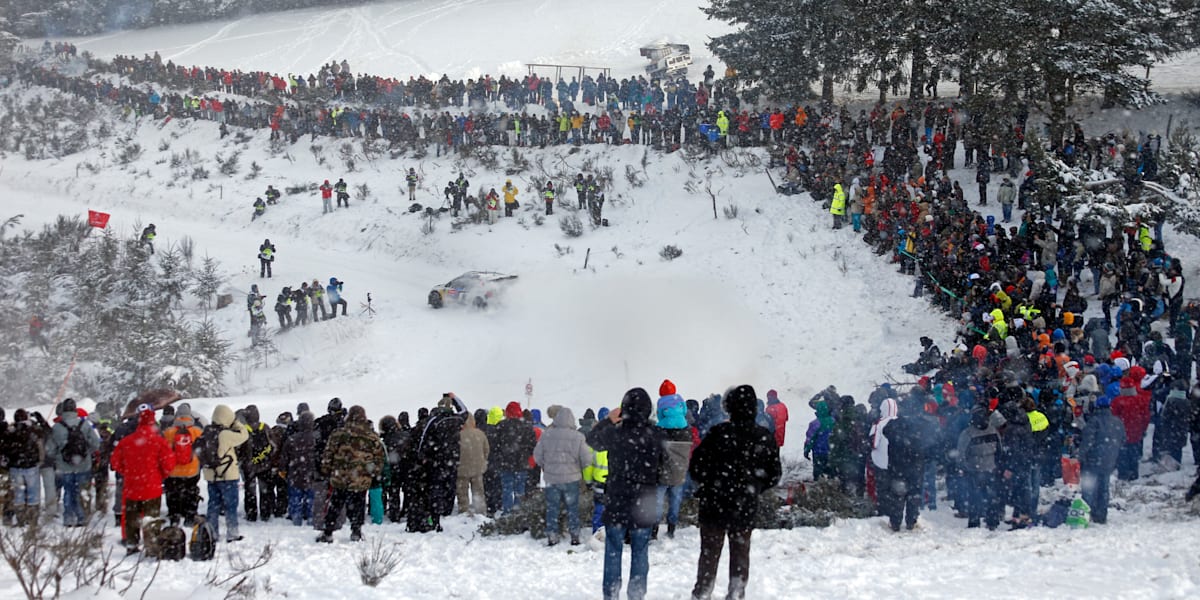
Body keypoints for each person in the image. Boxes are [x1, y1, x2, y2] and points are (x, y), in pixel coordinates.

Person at [689, 384, 782, 600]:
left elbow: (696, 467)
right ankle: (736, 592)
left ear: (729, 407)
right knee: (740, 554)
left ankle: (702, 592)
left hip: (714, 504)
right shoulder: (763, 436)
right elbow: (774, 474)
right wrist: (754, 488)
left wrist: (710, 484)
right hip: (745, 505)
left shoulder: (718, 433)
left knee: (709, 554)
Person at [586, 388, 664, 600]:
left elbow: (592, 440)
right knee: (640, 551)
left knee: (613, 551)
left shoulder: (615, 433)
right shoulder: (655, 435)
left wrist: (608, 420)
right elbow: (663, 465)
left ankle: (610, 595)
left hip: (617, 499)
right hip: (644, 501)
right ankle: (636, 595)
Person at [110, 405, 176, 552]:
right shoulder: (159, 441)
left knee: (131, 519)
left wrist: (128, 472)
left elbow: (115, 462)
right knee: (151, 519)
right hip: (152, 487)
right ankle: (151, 546)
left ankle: (132, 545)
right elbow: (168, 464)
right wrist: (160, 476)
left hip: (132, 486)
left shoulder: (126, 441)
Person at [316, 406, 385, 543]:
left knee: (335, 504)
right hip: (361, 478)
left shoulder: (339, 433)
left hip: (340, 476)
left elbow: (328, 454)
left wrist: (326, 469)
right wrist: (373, 473)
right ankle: (356, 531)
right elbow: (378, 459)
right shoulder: (371, 436)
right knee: (358, 504)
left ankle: (328, 531)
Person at [404, 394, 467, 532]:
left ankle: (436, 517)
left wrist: (421, 457)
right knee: (450, 486)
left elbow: (423, 440)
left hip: (436, 461)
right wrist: (454, 397)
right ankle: (447, 509)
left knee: (435, 490)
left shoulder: (433, 421)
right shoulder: (457, 419)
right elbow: (464, 410)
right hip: (453, 459)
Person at [533, 406, 591, 546]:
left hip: (552, 479)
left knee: (552, 508)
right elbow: (587, 459)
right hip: (572, 478)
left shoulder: (547, 435)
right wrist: (578, 468)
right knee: (573, 507)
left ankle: (552, 534)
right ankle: (574, 534)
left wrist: (546, 466)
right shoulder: (578, 437)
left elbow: (537, 456)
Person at [881, 397, 937, 531]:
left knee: (897, 495)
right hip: (916, 465)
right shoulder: (921, 424)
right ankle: (911, 521)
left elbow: (885, 432)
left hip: (897, 465)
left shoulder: (894, 425)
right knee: (914, 494)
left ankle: (895, 522)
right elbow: (930, 441)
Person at [47, 399, 100, 527]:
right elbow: (96, 444)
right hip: (83, 465)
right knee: (81, 492)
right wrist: (86, 454)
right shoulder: (85, 425)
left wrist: (59, 457)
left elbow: (50, 449)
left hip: (64, 467)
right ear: (75, 409)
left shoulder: (57, 427)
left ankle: (69, 518)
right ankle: (82, 517)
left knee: (68, 492)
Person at [203, 405, 250, 543]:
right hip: (227, 475)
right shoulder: (225, 434)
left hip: (211, 475)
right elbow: (244, 435)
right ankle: (232, 533)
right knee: (230, 505)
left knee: (213, 505)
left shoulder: (206, 432)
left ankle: (212, 533)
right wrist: (236, 422)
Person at [1080, 394, 1125, 524]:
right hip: (1109, 460)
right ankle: (1101, 515)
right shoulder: (1117, 422)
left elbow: (1087, 441)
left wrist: (1081, 456)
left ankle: (1086, 514)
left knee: (1089, 488)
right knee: (1103, 488)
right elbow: (1123, 440)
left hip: (1093, 460)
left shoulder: (1094, 421)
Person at [655, 380, 692, 539]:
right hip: (679, 472)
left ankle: (654, 529)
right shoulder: (686, 428)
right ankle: (671, 528)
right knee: (675, 500)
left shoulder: (659, 427)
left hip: (663, 473)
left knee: (657, 502)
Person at [162, 404, 203, 525]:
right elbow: (202, 449)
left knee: (173, 493)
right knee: (191, 492)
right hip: (192, 470)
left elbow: (164, 450)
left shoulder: (169, 432)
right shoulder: (197, 431)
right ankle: (189, 516)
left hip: (173, 470)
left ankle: (174, 516)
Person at [494, 401, 536, 513]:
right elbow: (532, 446)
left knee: (506, 488)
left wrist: (500, 456)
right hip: (522, 463)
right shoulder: (527, 426)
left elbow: (495, 445)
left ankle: (507, 512)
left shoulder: (501, 425)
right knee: (520, 489)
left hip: (505, 463)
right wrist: (526, 454)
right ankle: (518, 512)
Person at [238, 405, 276, 522]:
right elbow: (273, 446)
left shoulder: (243, 429)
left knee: (250, 492)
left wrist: (243, 460)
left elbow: (239, 449)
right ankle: (265, 513)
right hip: (265, 465)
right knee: (265, 490)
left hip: (249, 466)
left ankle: (251, 514)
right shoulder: (265, 427)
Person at [283, 411, 318, 526]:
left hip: (295, 473)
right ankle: (311, 518)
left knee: (295, 497)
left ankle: (296, 518)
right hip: (311, 473)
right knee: (311, 498)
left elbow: (285, 457)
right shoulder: (316, 438)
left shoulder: (292, 439)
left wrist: (283, 470)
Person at [456, 410, 489, 516]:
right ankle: (480, 510)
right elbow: (486, 450)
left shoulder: (458, 435)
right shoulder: (480, 434)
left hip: (462, 468)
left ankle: (464, 510)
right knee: (478, 491)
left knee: (462, 492)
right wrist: (482, 460)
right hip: (478, 467)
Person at [804, 401, 834, 479]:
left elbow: (810, 439)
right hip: (831, 452)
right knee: (831, 473)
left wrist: (806, 450)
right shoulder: (833, 421)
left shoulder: (815, 424)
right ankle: (831, 487)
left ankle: (819, 486)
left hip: (818, 452)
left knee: (818, 474)